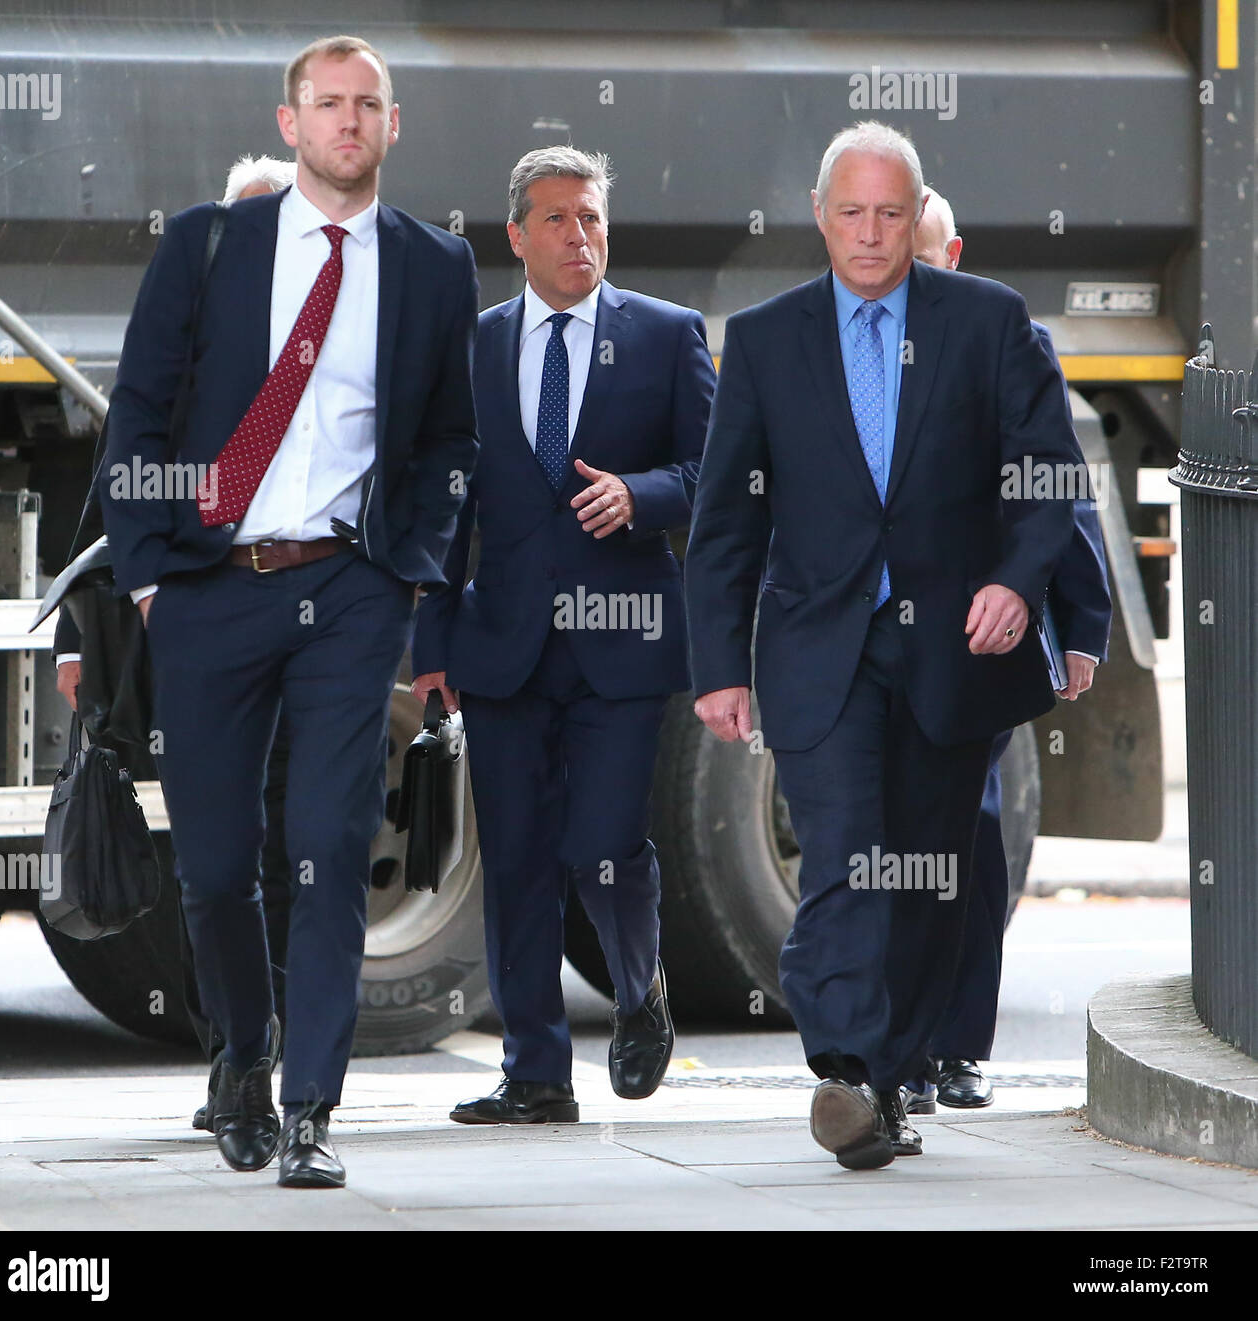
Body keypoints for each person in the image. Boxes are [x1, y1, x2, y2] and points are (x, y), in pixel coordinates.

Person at [99, 34, 478, 1187]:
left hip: (347, 590)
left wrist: (407, 564)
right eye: (329, 104)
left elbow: (454, 437)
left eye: (369, 105)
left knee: (324, 844)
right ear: (290, 122)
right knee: (216, 867)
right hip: (212, 587)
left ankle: (312, 1106)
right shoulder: (208, 246)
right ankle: (242, 1058)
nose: (349, 122)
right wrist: (154, 574)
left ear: (393, 125)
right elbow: (140, 413)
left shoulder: (432, 264)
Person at [684, 121, 1084, 1169]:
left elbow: (1048, 479)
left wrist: (1014, 580)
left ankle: (891, 1075)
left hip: (953, 650)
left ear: (918, 219)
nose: (870, 234)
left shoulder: (987, 322)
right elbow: (727, 518)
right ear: (820, 216)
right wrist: (719, 665)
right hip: (823, 650)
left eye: (891, 213)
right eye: (851, 212)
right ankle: (848, 1071)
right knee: (847, 857)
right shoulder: (766, 339)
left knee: (928, 874)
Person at [412, 146, 715, 1124]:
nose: (578, 235)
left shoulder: (667, 338)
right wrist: (432, 645)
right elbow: (443, 510)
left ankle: (639, 992)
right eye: (556, 219)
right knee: (515, 856)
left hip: (622, 646)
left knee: (602, 846)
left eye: (590, 217)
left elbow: (716, 481)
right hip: (501, 646)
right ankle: (535, 1071)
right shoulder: (475, 347)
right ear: (517, 235)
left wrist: (641, 494)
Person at [53, 153, 301, 1135]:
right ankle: (231, 1056)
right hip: (196, 649)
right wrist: (77, 641)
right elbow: (105, 499)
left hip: (309, 640)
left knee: (296, 852)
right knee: (214, 862)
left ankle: (270, 1058)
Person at [900, 188, 1112, 1112]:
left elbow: (1058, 485)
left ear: (954, 252)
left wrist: (1084, 622)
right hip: (872, 635)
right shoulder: (847, 343)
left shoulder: (1005, 335)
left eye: (923, 249)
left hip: (979, 639)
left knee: (971, 834)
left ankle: (954, 1047)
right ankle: (888, 1042)